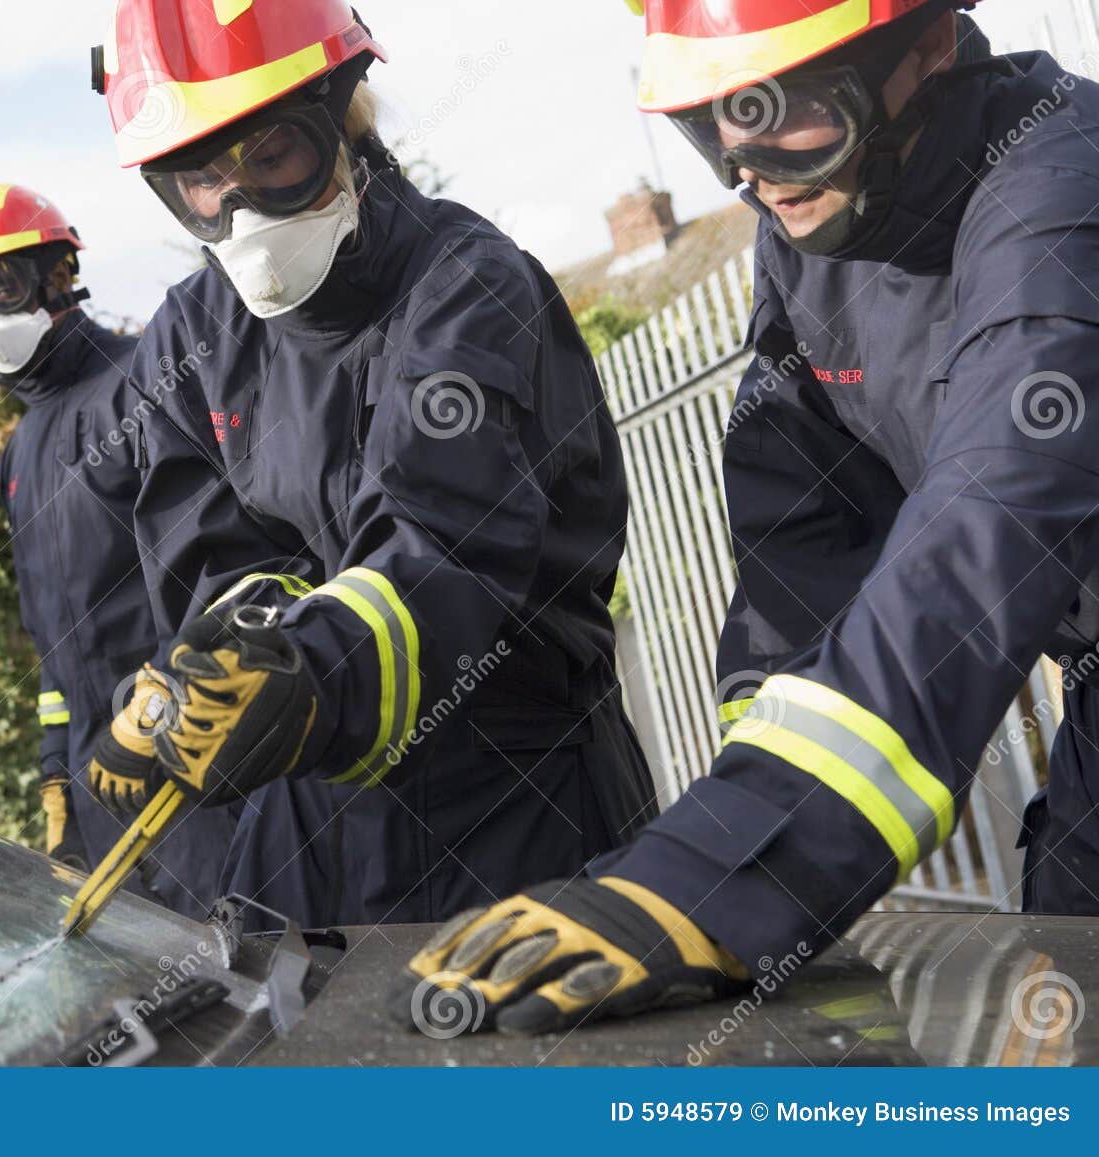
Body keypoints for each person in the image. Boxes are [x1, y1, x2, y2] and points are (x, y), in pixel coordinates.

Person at [397, 0, 1099, 1035]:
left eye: (786, 109)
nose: (744, 168)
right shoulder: (816, 225)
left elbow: (994, 509)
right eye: (712, 122)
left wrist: (722, 873)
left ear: (928, 47)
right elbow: (802, 539)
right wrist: (736, 843)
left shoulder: (1063, 183)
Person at [84, 0, 657, 931]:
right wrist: (196, 690)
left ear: (345, 120)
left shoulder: (464, 283)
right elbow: (212, 568)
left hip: (520, 809)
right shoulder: (188, 339)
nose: (241, 212)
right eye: (200, 181)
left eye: (272, 160)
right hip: (304, 836)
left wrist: (312, 676)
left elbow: (444, 544)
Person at [0, 181, 236, 917]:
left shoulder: (145, 383)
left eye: (2, 285)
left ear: (59, 276)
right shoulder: (19, 453)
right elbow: (53, 646)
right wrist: (58, 775)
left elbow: (223, 579)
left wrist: (171, 721)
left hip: (203, 787)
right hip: (100, 801)